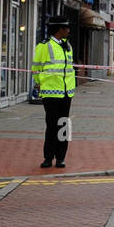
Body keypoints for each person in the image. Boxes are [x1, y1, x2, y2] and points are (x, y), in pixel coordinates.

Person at [33, 15, 76, 168]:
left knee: (64, 125)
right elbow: (36, 68)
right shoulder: (44, 46)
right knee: (51, 126)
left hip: (67, 92)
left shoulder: (67, 45)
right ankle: (48, 158)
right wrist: (40, 84)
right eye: (66, 27)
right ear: (59, 29)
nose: (68, 30)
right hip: (50, 93)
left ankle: (61, 158)